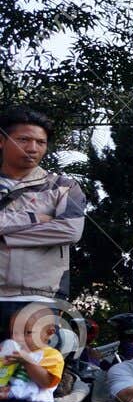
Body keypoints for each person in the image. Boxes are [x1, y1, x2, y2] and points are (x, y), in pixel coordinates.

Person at [0, 106, 86, 332]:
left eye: (41, 142)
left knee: (36, 366)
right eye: (24, 139)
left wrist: (7, 238)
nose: (33, 148)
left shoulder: (64, 187)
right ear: (2, 141)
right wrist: (36, 217)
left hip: (41, 298)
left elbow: (71, 230)